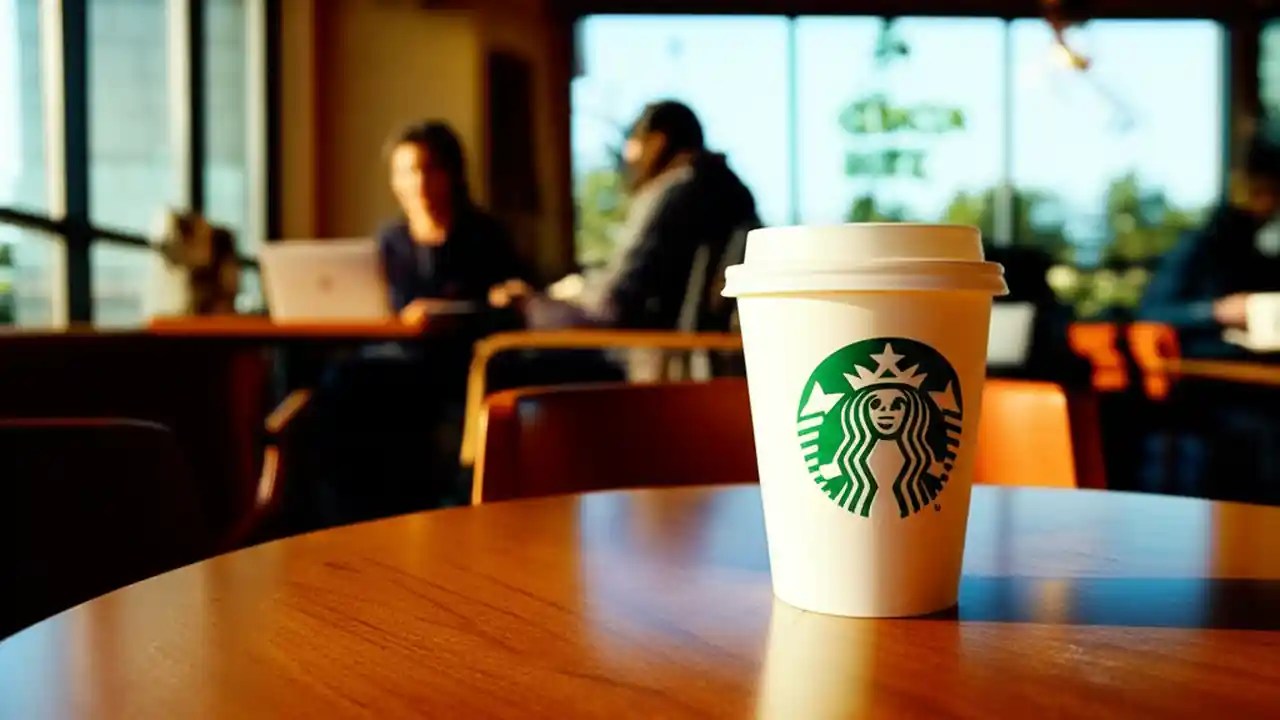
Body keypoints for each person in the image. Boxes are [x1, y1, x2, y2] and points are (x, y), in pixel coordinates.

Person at [494, 100, 760, 332]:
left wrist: (532, 305)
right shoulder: (724, 188)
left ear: (657, 142)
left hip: (648, 355)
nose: (628, 155)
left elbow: (612, 304)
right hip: (692, 353)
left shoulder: (671, 193)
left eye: (633, 142)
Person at [1139, 125, 1280, 358]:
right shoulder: (1198, 248)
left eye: (1274, 195)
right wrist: (1216, 312)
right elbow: (1152, 312)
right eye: (1262, 192)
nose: (1268, 204)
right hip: (1204, 377)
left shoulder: (1261, 256)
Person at [380, 121, 531, 324]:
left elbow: (510, 301)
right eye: (407, 173)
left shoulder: (486, 235)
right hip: (400, 348)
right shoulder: (390, 242)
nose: (419, 183)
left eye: (430, 170)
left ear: (452, 174)